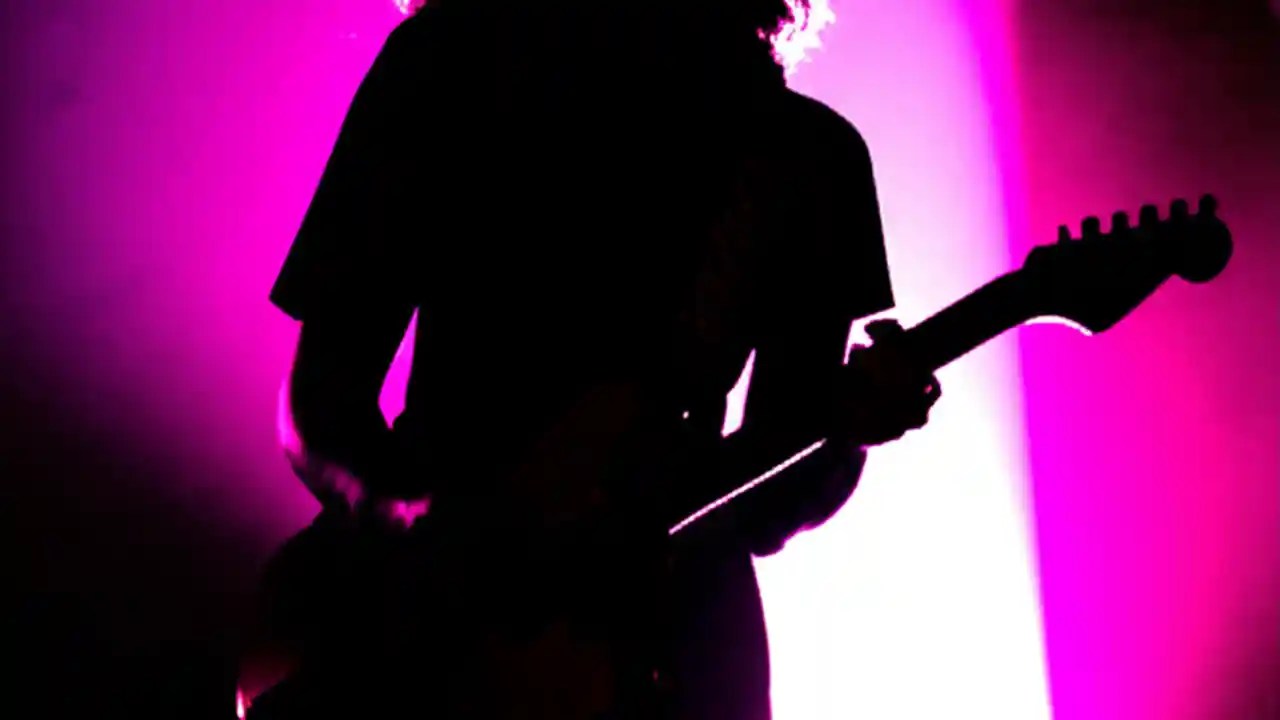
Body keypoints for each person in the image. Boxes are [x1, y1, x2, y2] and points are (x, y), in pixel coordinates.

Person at [245, 1, 940, 718]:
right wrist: (423, 528)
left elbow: (765, 509)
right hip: (431, 621)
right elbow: (323, 402)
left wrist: (847, 434)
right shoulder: (443, 66)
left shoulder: (810, 161)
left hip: (666, 636)